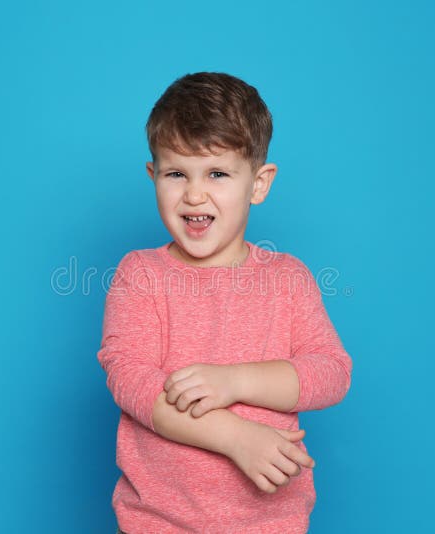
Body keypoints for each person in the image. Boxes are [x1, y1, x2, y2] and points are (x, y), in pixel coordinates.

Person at [97, 72, 353, 533]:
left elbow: (332, 372)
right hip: (159, 523)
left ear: (259, 183)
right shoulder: (141, 274)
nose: (195, 194)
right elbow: (131, 381)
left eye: (217, 173)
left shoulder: (288, 278)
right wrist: (236, 437)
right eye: (177, 174)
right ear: (153, 176)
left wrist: (234, 381)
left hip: (269, 523)